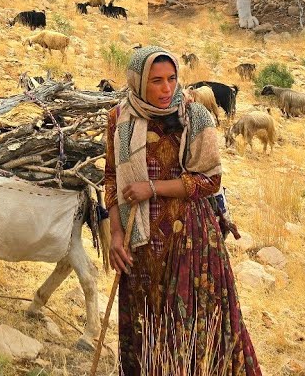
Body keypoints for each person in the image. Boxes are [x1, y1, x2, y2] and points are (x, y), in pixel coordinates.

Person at [104, 47, 260, 375]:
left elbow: (210, 181)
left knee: (191, 333)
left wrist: (153, 188)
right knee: (146, 328)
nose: (166, 89)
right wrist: (116, 234)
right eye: (156, 81)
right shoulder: (120, 118)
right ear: (138, 81)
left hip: (190, 241)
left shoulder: (193, 116)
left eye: (172, 78)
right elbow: (112, 178)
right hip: (139, 243)